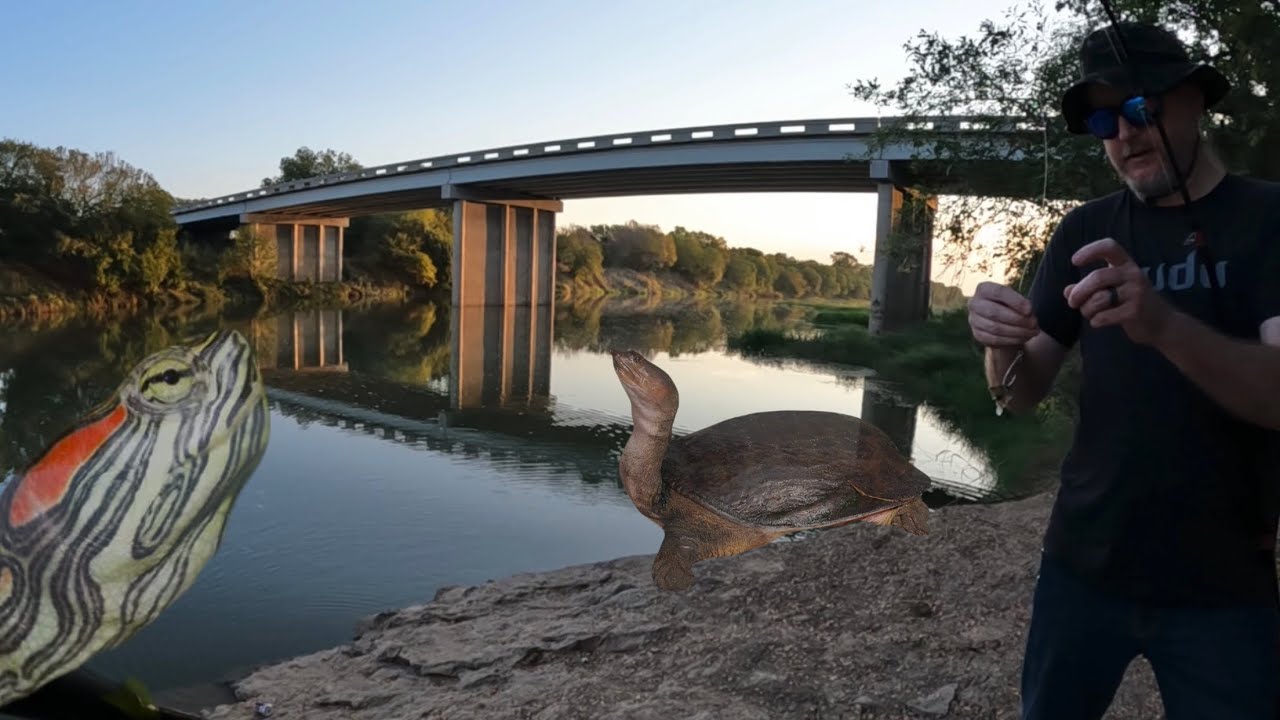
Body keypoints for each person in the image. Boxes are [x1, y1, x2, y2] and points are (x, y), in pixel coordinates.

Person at [966, 19, 1280, 719]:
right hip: (1080, 570)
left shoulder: (1268, 218)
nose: (1124, 134)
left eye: (1141, 107)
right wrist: (998, 347)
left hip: (1225, 589)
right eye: (1105, 119)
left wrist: (1162, 324)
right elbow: (1020, 393)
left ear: (1196, 100)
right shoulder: (1082, 230)